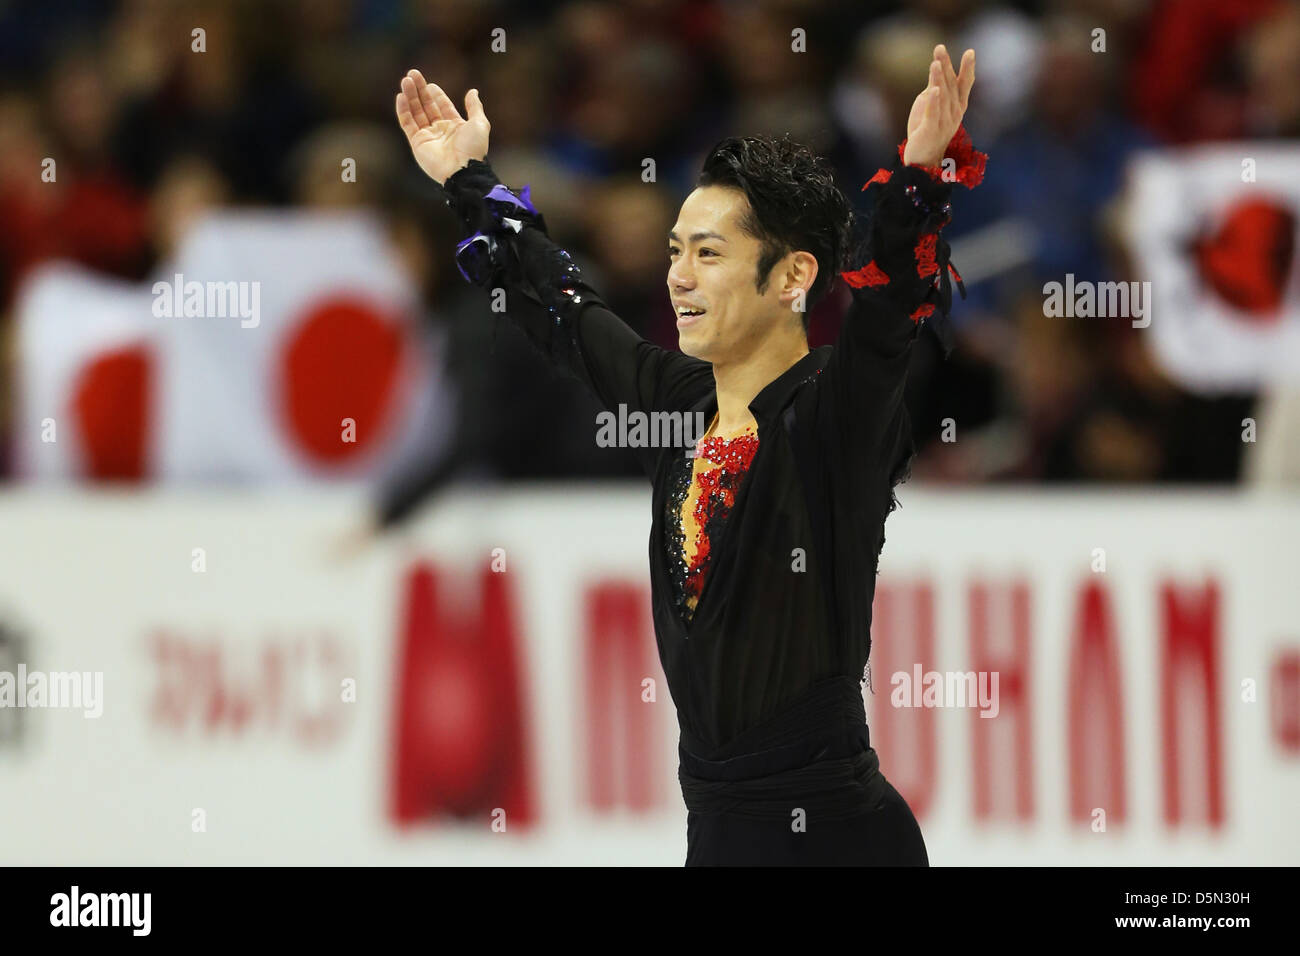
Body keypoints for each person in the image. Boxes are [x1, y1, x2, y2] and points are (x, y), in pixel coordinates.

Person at [395, 45, 983, 866]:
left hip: (838, 839)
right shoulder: (676, 406)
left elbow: (887, 320)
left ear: (793, 277)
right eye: (675, 251)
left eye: (707, 254)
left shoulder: (831, 418)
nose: (678, 277)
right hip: (720, 834)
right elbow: (567, 309)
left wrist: (918, 176)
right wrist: (467, 176)